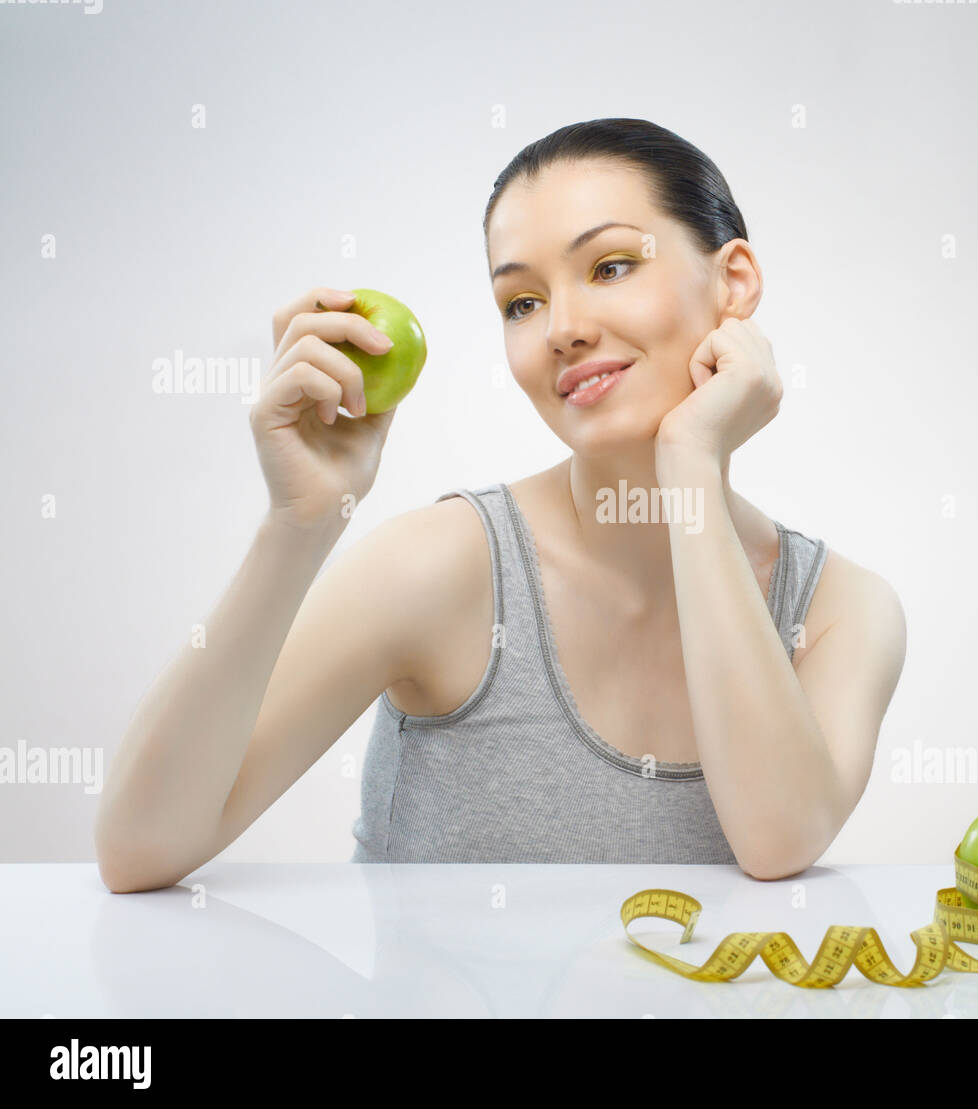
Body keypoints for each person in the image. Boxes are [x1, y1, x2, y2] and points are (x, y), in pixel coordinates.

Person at [94, 118, 907, 892]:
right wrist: (297, 525)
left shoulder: (840, 610)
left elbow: (779, 840)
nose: (561, 329)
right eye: (521, 302)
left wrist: (690, 464)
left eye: (612, 267)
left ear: (734, 282)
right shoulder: (439, 568)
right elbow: (140, 848)